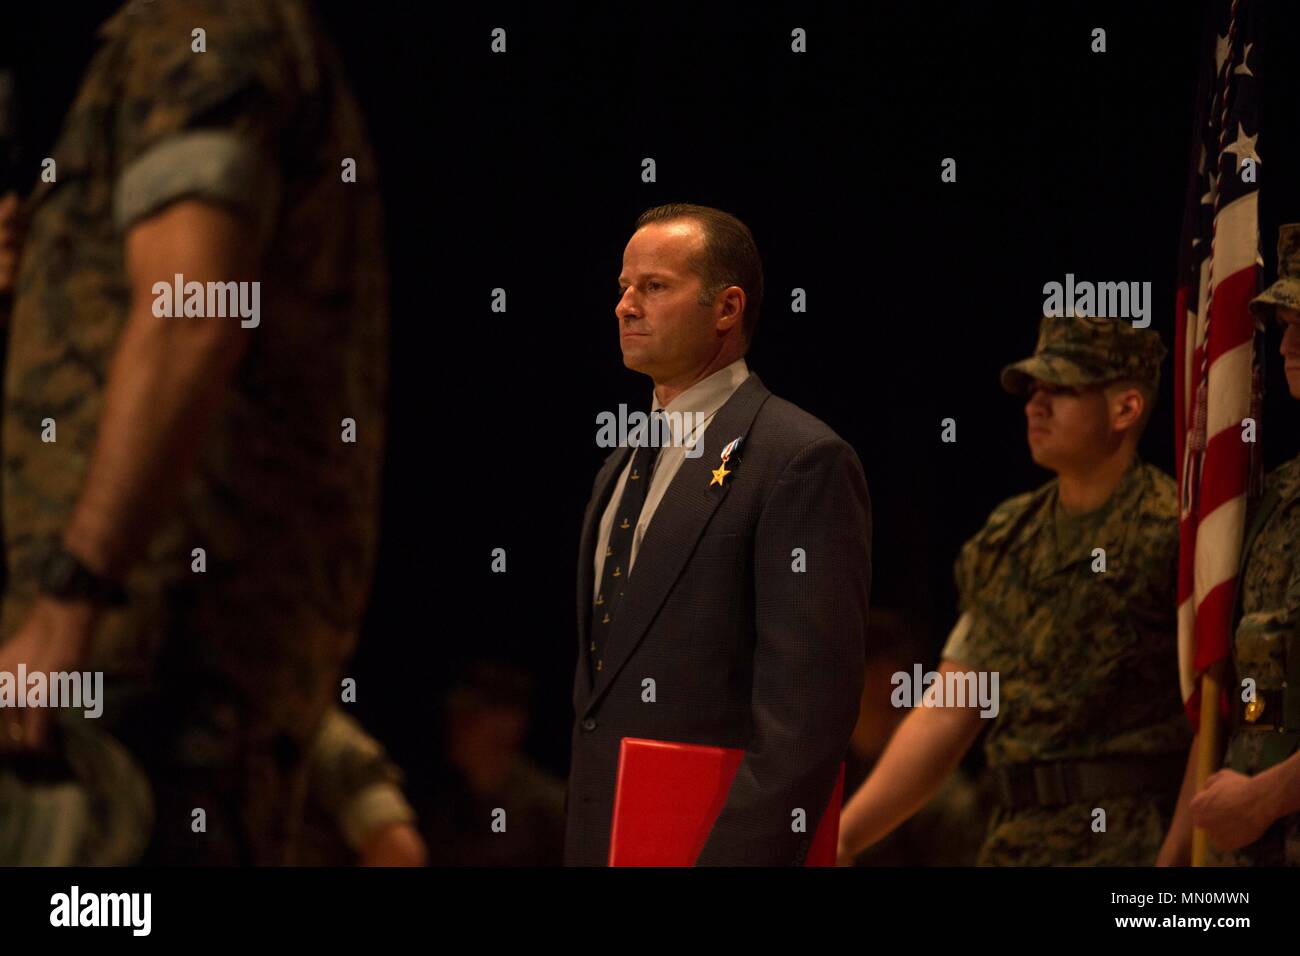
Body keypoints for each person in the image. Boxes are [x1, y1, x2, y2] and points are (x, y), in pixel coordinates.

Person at [0, 0, 388, 865]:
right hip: (147, 653)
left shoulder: (205, 22)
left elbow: (192, 316)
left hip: (148, 659)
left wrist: (70, 598)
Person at [565, 202, 871, 866]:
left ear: (727, 308)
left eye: (654, 286)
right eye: (622, 287)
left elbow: (805, 724)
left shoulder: (798, 459)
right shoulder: (618, 466)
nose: (624, 306)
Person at [838, 315, 1189, 866]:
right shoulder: (1011, 537)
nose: (1035, 405)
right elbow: (952, 708)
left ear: (1125, 408)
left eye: (1063, 389)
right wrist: (845, 836)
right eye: (1034, 389)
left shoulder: (1175, 532)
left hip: (1131, 842)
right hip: (1015, 840)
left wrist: (1177, 866)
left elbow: (1213, 714)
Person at [1159, 224, 1300, 866]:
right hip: (1244, 846)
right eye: (1283, 324)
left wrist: (1271, 796)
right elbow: (1240, 684)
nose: (1289, 344)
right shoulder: (1271, 498)